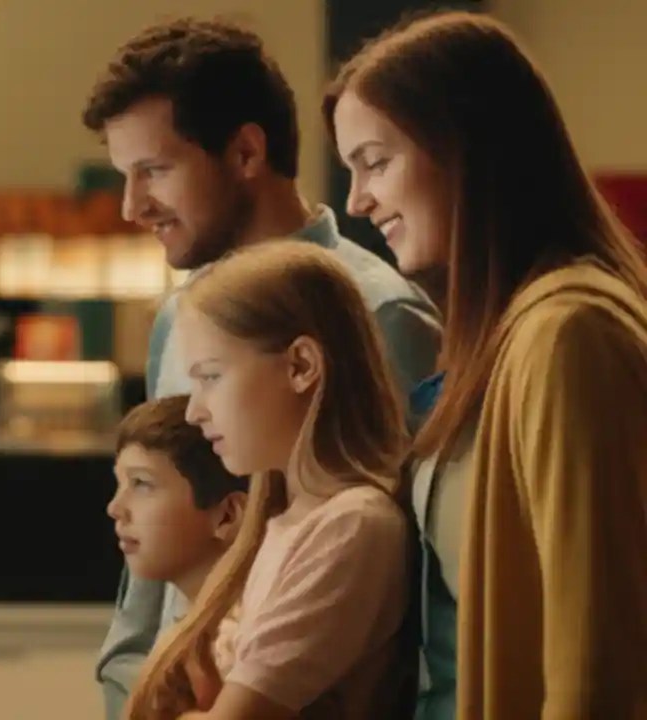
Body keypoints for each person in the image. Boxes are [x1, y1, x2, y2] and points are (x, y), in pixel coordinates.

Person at [81, 18, 443, 719]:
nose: (132, 206)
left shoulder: (378, 315)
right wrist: (128, 687)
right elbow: (154, 575)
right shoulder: (178, 316)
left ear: (246, 150)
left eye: (154, 170)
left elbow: (397, 597)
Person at [325, 10, 647, 719]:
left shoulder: (569, 335)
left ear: (464, 148)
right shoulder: (502, 341)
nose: (357, 201)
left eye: (375, 161)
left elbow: (598, 662)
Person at [127, 240, 412, 719]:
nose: (195, 412)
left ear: (301, 366)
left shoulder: (352, 525)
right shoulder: (279, 523)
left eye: (211, 377)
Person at [108, 396, 248, 611]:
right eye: (120, 483)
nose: (115, 509)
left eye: (141, 484)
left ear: (227, 515)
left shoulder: (244, 639)